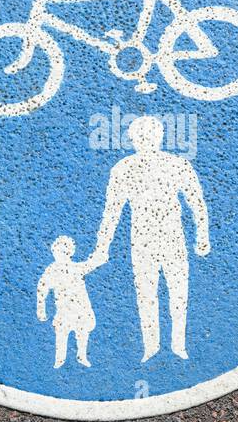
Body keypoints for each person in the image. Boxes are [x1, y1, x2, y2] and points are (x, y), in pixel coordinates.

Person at [89, 116, 209, 362]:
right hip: (144, 241)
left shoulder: (176, 164)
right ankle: (153, 347)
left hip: (171, 238)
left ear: (159, 137)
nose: (145, 140)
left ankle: (177, 346)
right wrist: (102, 248)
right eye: (140, 137)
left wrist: (203, 234)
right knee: (149, 295)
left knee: (175, 294)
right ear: (133, 139)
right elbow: (112, 212)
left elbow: (196, 202)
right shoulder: (124, 169)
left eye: (149, 136)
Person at [36, 236, 100, 368]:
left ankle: (82, 356)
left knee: (82, 332)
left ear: (70, 253)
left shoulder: (75, 268)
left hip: (80, 308)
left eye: (65, 252)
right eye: (58, 251)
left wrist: (99, 256)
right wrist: (41, 308)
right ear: (54, 252)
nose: (61, 255)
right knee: (61, 333)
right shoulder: (51, 270)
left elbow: (90, 264)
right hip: (63, 310)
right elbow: (42, 288)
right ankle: (60, 359)